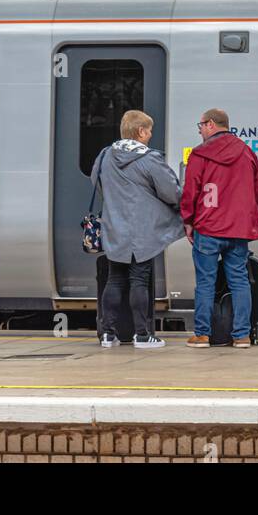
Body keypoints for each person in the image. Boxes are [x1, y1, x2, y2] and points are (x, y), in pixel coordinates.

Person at [90, 110, 185, 349]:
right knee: (139, 279)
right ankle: (142, 335)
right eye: (149, 130)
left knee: (115, 279)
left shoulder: (105, 155)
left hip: (114, 227)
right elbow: (171, 192)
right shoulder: (149, 158)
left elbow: (96, 182)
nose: (151, 134)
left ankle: (107, 335)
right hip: (142, 231)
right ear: (141, 132)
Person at [180, 108, 258, 348]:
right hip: (238, 229)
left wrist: (188, 220)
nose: (199, 131)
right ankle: (241, 336)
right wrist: (246, 218)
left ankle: (203, 335)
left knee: (205, 282)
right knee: (239, 280)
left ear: (210, 125)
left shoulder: (200, 154)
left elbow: (190, 191)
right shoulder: (247, 152)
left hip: (208, 227)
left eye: (200, 126)